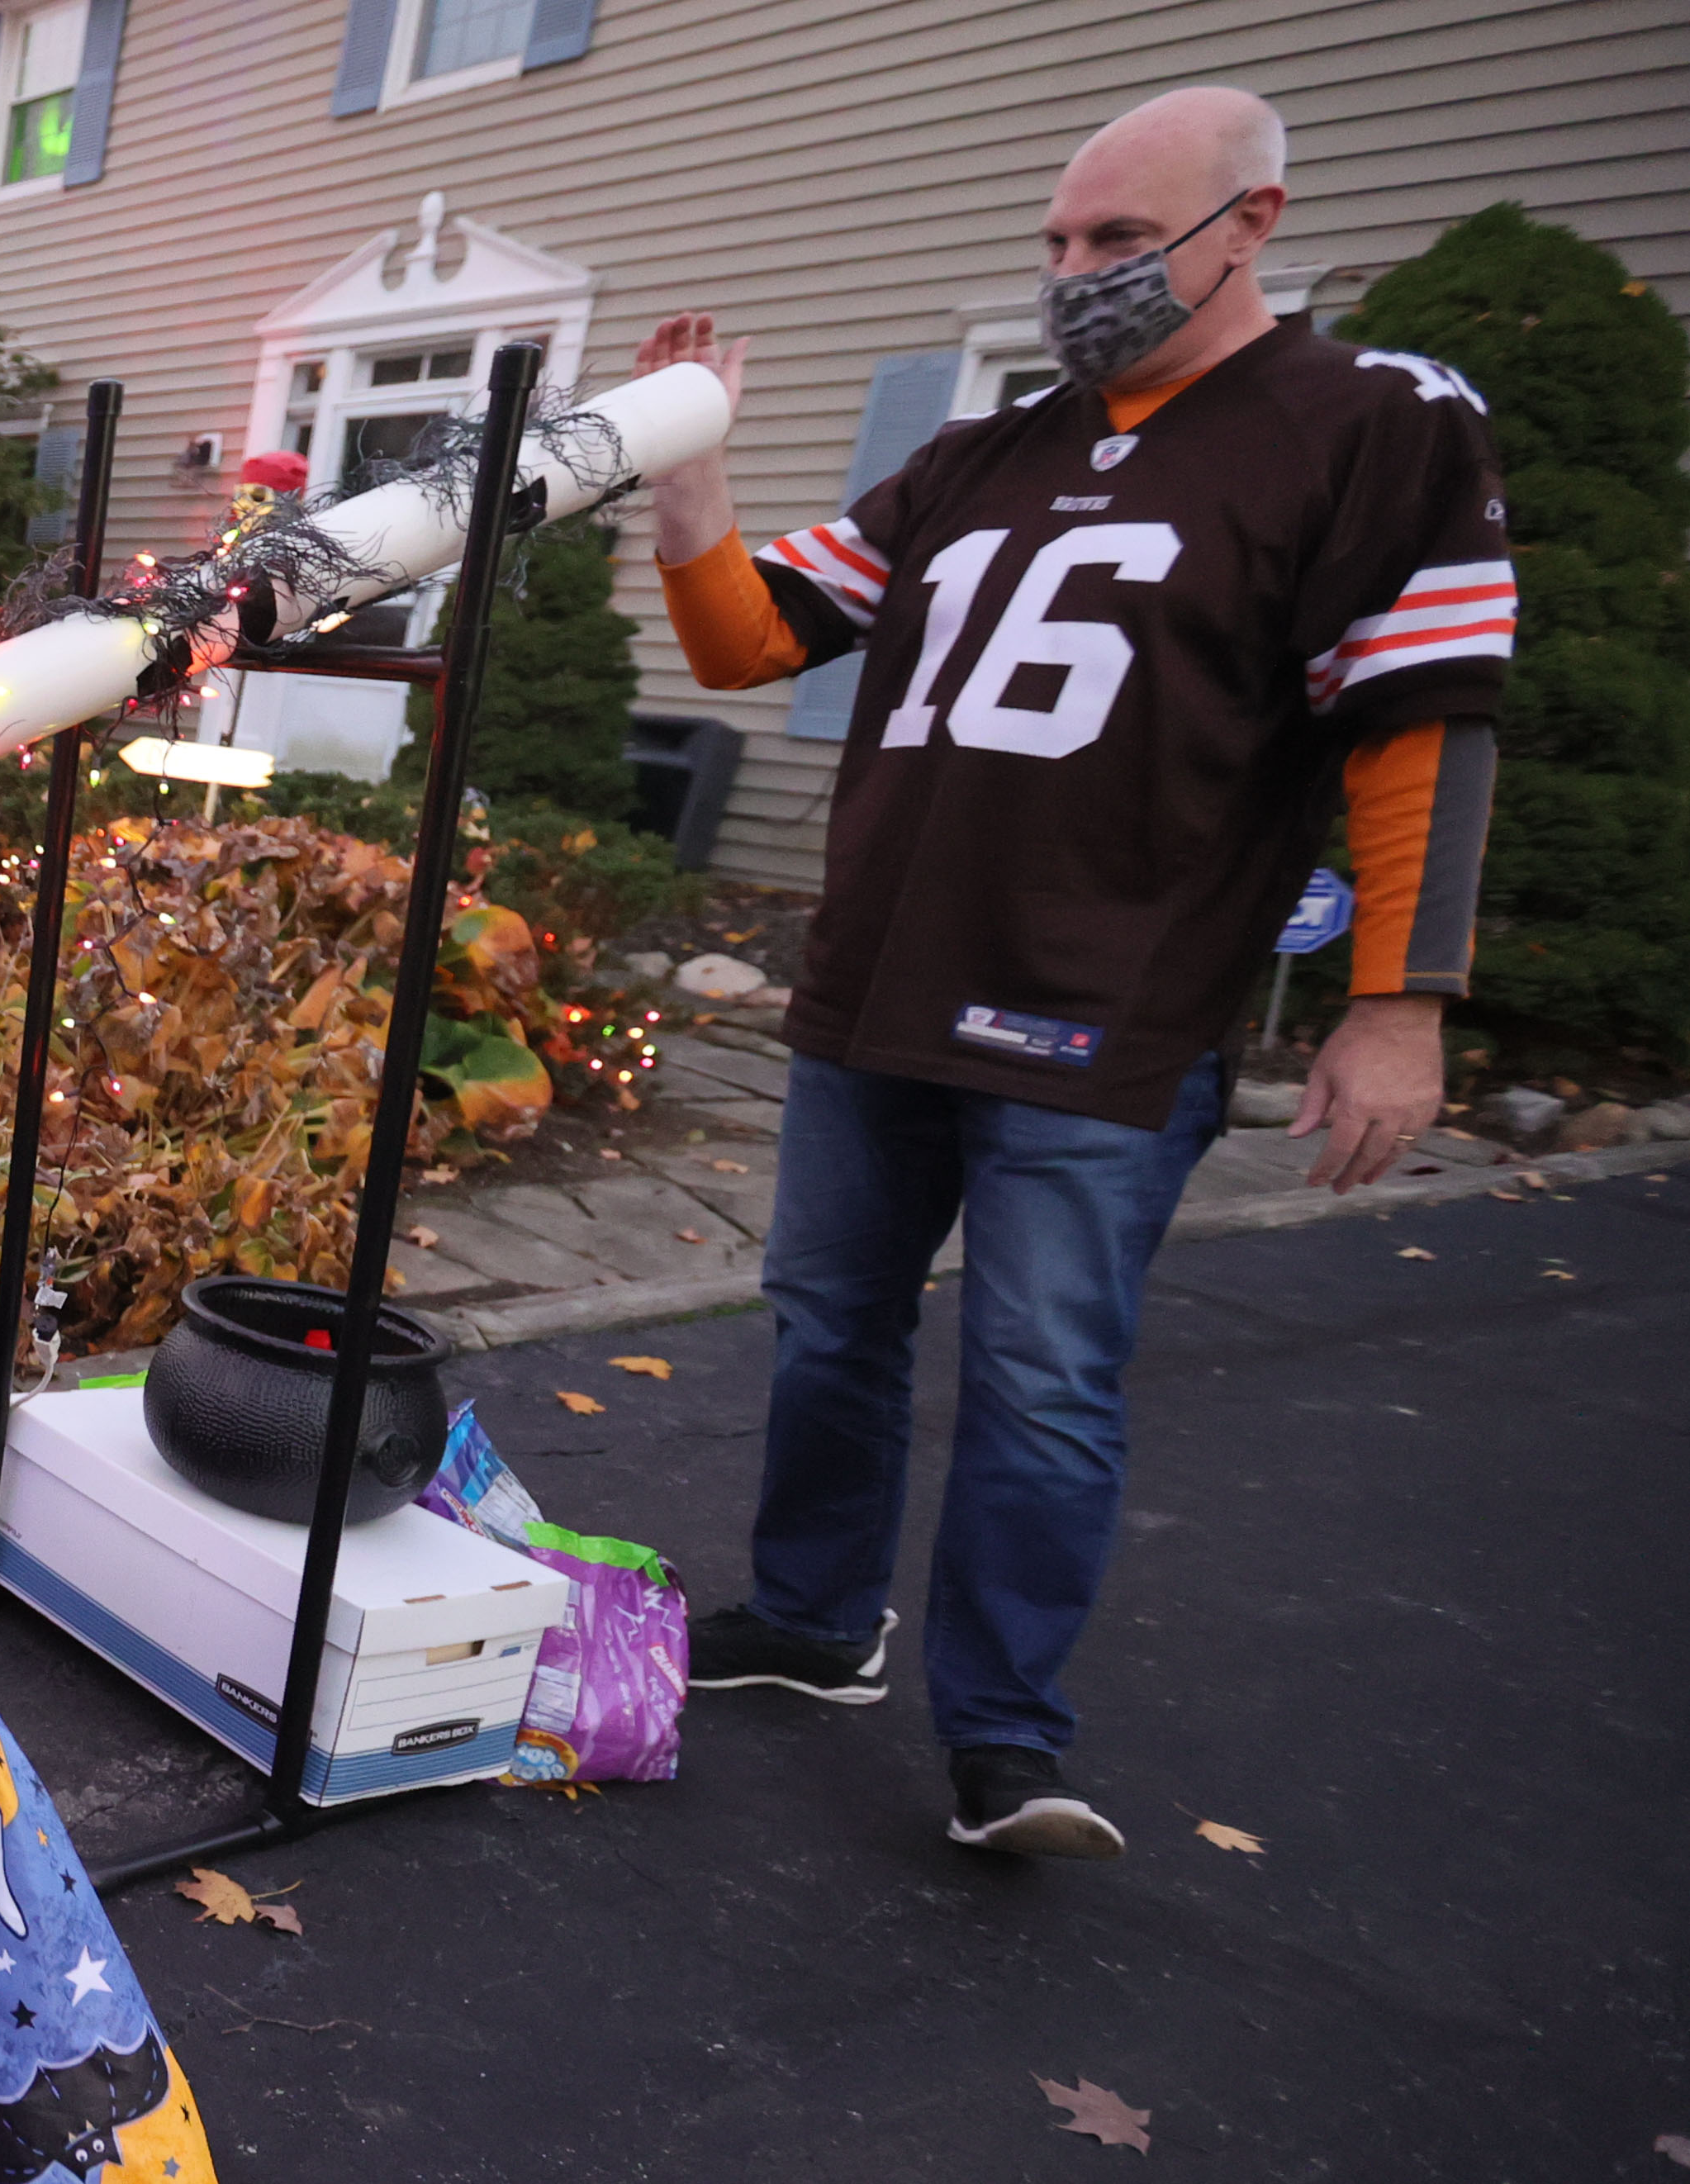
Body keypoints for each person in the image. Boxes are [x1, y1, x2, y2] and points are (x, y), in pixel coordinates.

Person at [634, 87, 1507, 1855]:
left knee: (1040, 1375)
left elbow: (1421, 718)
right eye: (1056, 241)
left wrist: (1396, 1001)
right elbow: (745, 638)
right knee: (825, 1329)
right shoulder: (985, 451)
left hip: (1105, 998)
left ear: (1250, 222)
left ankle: (1003, 1737)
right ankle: (812, 1618)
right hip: (882, 977)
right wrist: (691, 462)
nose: (1076, 272)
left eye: (1119, 239)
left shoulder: (1366, 421)